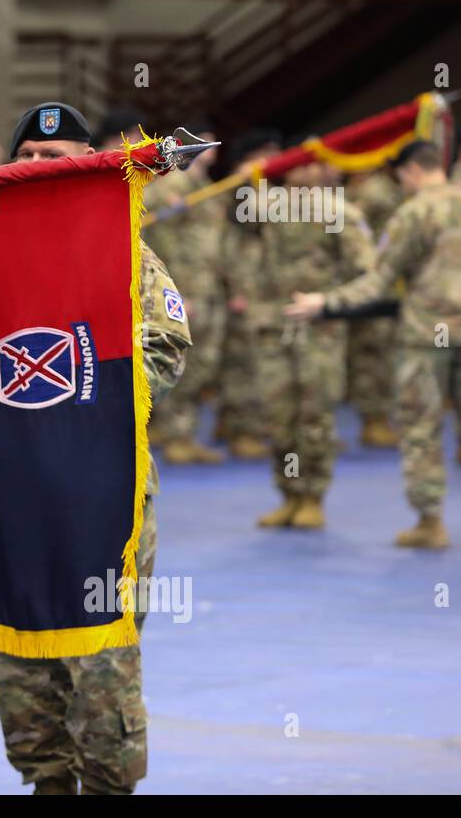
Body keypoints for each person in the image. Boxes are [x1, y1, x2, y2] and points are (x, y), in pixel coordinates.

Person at [0, 101, 191, 794]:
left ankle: (107, 784)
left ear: (87, 167)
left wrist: (80, 400)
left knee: (100, 657)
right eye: (28, 157)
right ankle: (46, 780)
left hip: (99, 490)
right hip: (8, 492)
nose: (39, 167)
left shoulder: (122, 249)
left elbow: (165, 345)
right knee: (20, 660)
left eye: (56, 157)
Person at [287, 141, 461, 548]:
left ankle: (430, 523)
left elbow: (380, 279)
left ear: (412, 170)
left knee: (421, 427)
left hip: (425, 336)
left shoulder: (412, 213)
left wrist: (326, 303)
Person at [251, 153, 375, 530]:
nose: (304, 171)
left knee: (315, 414)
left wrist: (330, 302)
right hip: (272, 325)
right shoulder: (264, 208)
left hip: (319, 329)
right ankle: (288, 494)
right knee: (277, 415)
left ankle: (312, 495)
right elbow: (224, 227)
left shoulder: (340, 212)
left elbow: (368, 273)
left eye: (312, 164)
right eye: (296, 164)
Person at [142, 121, 226, 464]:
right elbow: (161, 240)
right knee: (182, 362)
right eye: (202, 143)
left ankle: (182, 432)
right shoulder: (171, 185)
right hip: (183, 286)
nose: (209, 151)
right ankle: (176, 436)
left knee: (202, 366)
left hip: (207, 286)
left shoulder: (204, 187)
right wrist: (176, 291)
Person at [215, 129, 282, 459]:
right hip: (244, 282)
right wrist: (237, 289)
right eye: (266, 152)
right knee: (246, 361)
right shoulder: (238, 187)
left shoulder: (260, 186)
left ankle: (237, 423)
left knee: (250, 357)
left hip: (259, 282)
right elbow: (249, 224)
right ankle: (243, 430)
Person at [344, 164, 405, 448]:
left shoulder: (394, 188)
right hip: (370, 281)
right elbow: (353, 229)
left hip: (390, 282)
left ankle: (381, 416)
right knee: (372, 352)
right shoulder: (374, 191)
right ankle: (373, 419)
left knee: (385, 351)